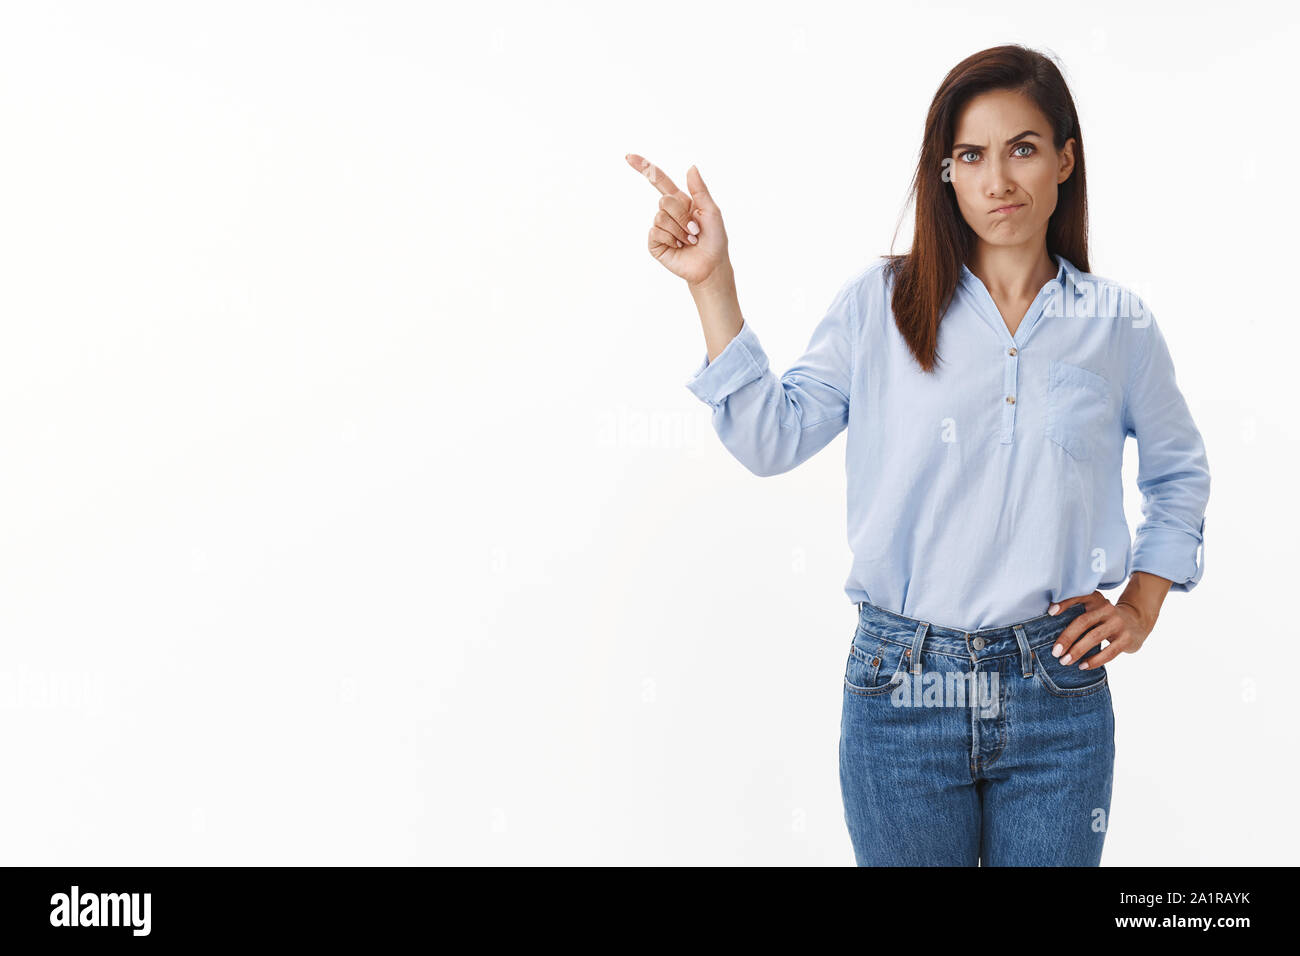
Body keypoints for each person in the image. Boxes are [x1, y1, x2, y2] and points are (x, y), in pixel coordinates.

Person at [625, 43, 1210, 866]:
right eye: (971, 156)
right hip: (902, 689)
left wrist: (1145, 601)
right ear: (946, 173)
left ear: (1066, 159)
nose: (998, 181)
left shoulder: (1116, 325)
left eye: (1024, 148)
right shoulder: (882, 306)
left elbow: (1178, 471)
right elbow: (771, 437)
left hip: (1056, 692)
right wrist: (711, 283)